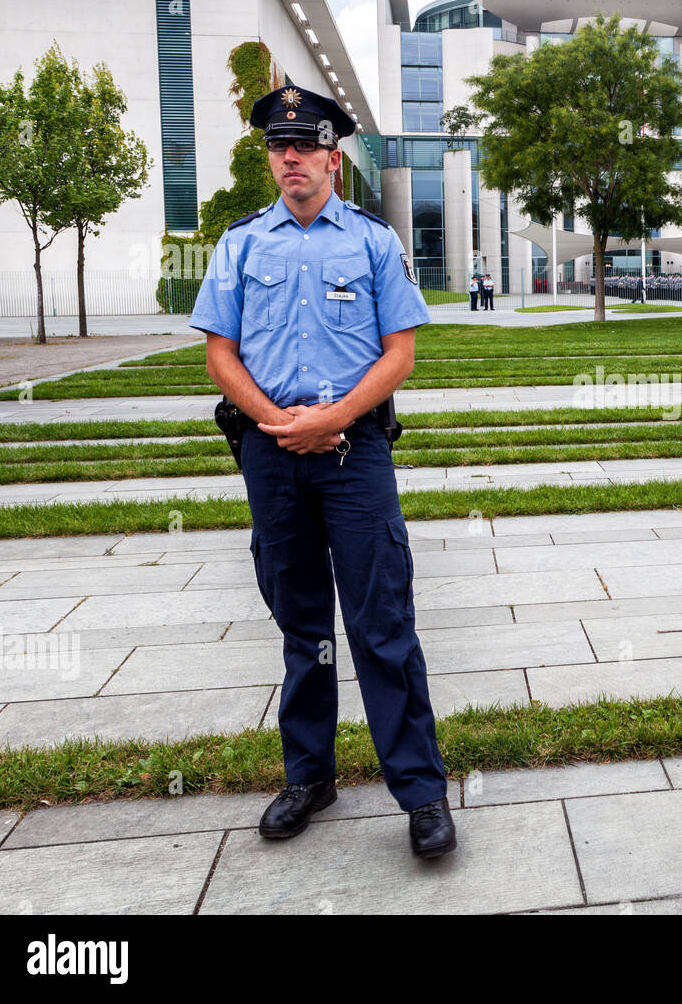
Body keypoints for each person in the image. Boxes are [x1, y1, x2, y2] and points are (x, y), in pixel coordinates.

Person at [188, 85, 455, 858]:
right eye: (279, 146)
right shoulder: (241, 245)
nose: (292, 157)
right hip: (273, 457)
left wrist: (330, 419)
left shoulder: (371, 243)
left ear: (332, 158)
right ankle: (309, 776)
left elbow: (399, 354)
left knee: (381, 621)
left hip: (353, 456)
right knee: (302, 626)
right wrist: (278, 423)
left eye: (305, 145)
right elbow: (219, 355)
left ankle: (422, 791)